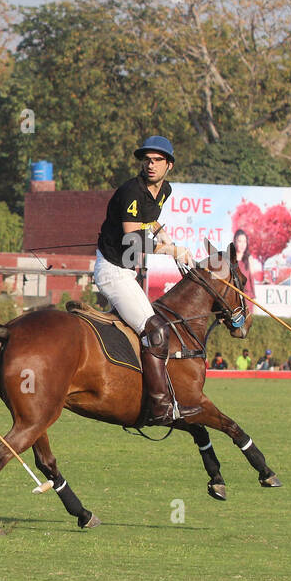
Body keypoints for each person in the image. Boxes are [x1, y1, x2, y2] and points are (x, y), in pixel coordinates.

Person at [94, 135, 200, 425]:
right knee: (156, 331)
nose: (151, 165)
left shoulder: (164, 190)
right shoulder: (131, 190)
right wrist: (170, 249)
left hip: (128, 272)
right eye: (147, 160)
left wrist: (162, 232)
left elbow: (149, 218)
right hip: (113, 271)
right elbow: (131, 236)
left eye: (157, 160)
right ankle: (160, 404)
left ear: (170, 165)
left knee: (152, 330)